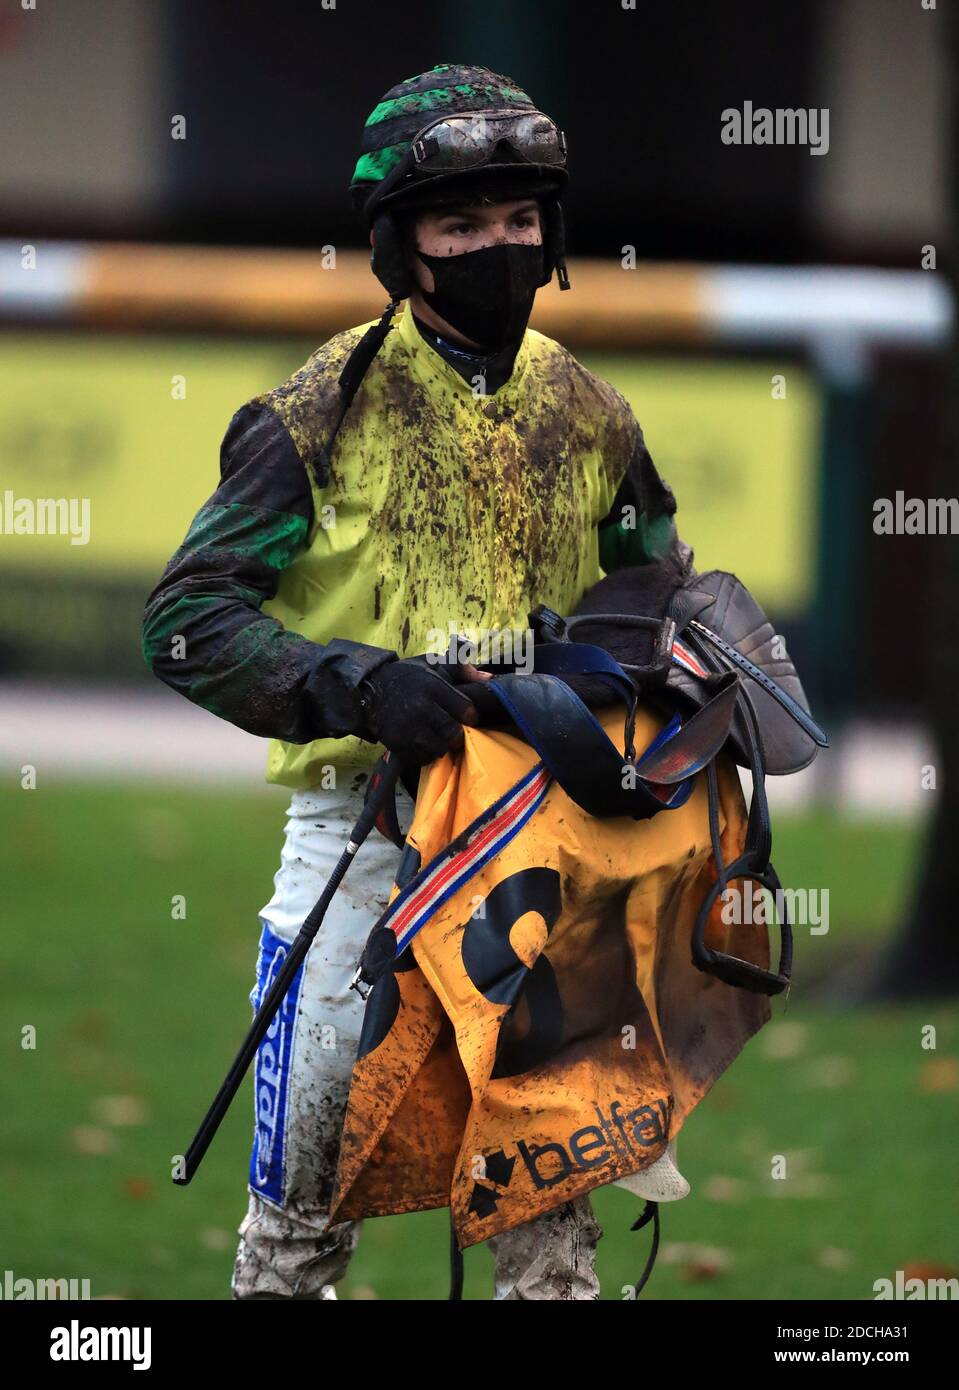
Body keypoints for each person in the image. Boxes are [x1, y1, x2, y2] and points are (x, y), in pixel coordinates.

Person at [142, 62, 690, 1300]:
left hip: (550, 848)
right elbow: (183, 621)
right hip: (362, 842)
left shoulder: (595, 415)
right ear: (400, 246)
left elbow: (661, 597)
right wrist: (351, 683)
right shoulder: (309, 416)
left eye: (517, 219)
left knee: (551, 1239)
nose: (497, 244)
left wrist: (661, 692)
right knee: (298, 1217)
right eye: (459, 223)